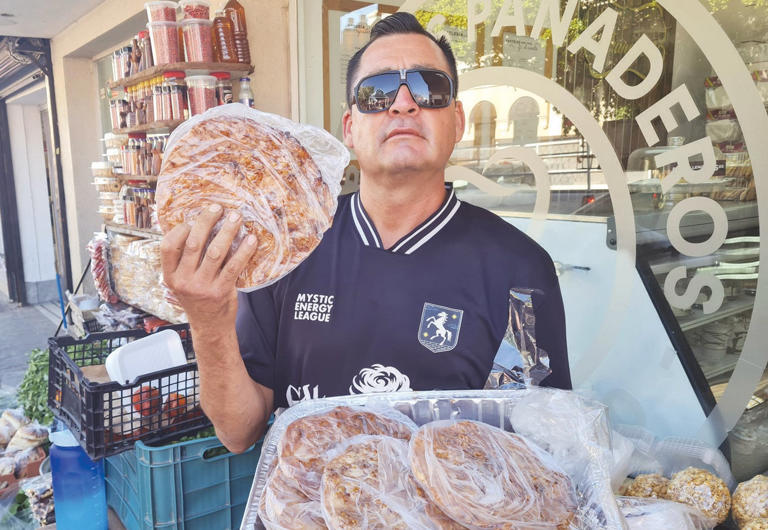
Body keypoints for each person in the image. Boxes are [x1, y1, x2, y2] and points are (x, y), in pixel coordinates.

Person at [160, 12, 571, 453]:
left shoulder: (519, 269)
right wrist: (208, 323)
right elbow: (238, 432)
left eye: (428, 87)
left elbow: (540, 442)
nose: (402, 104)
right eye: (375, 93)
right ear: (350, 128)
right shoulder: (288, 246)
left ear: (457, 122)